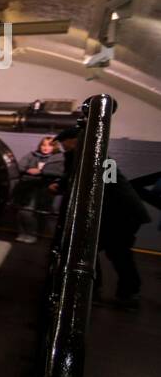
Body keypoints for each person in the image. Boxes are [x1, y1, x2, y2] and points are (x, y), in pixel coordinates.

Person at [53, 126, 147, 309]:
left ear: (74, 141)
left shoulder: (100, 160)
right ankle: (112, 292)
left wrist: (62, 185)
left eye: (64, 144)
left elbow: (107, 186)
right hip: (118, 214)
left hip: (121, 215)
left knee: (111, 253)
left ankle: (110, 292)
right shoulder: (96, 159)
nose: (63, 147)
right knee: (108, 253)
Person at [14, 135, 60, 242]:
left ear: (54, 147)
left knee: (30, 212)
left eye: (49, 145)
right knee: (21, 211)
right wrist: (29, 170)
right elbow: (21, 166)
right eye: (43, 145)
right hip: (26, 187)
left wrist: (41, 172)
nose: (45, 147)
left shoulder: (57, 158)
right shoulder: (31, 155)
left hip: (43, 189)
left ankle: (32, 234)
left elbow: (58, 172)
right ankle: (22, 233)